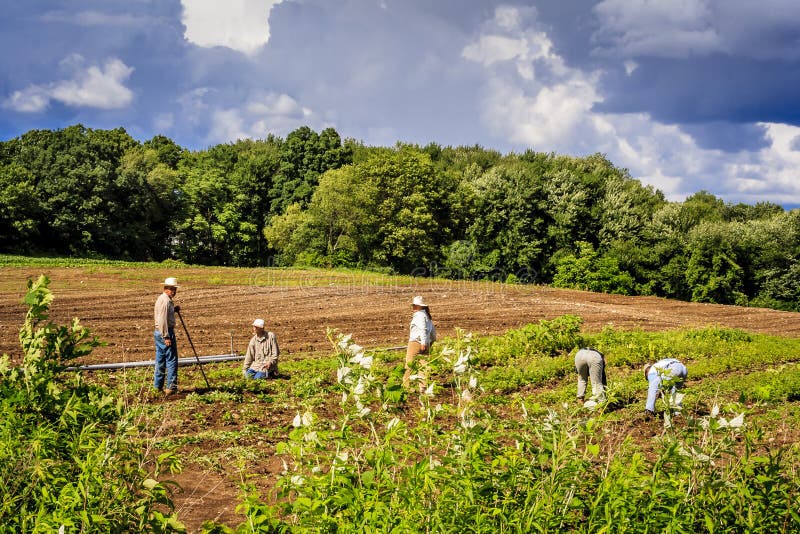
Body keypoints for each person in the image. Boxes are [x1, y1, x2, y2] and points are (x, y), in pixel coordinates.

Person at [403, 295, 436, 389]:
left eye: (414, 305)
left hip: (416, 343)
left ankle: (406, 386)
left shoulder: (419, 316)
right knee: (424, 365)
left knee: (409, 364)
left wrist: (423, 343)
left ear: (419, 306)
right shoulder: (427, 316)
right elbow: (433, 331)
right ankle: (423, 387)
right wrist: (430, 342)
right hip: (426, 343)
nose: (413, 307)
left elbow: (423, 329)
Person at [154, 277, 179, 394]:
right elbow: (162, 319)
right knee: (171, 359)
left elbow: (163, 315)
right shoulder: (166, 301)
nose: (173, 291)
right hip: (165, 331)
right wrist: (166, 336)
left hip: (158, 332)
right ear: (165, 289)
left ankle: (157, 386)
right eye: (171, 289)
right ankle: (171, 387)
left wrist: (173, 310)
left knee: (160, 358)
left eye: (174, 289)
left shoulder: (162, 299)